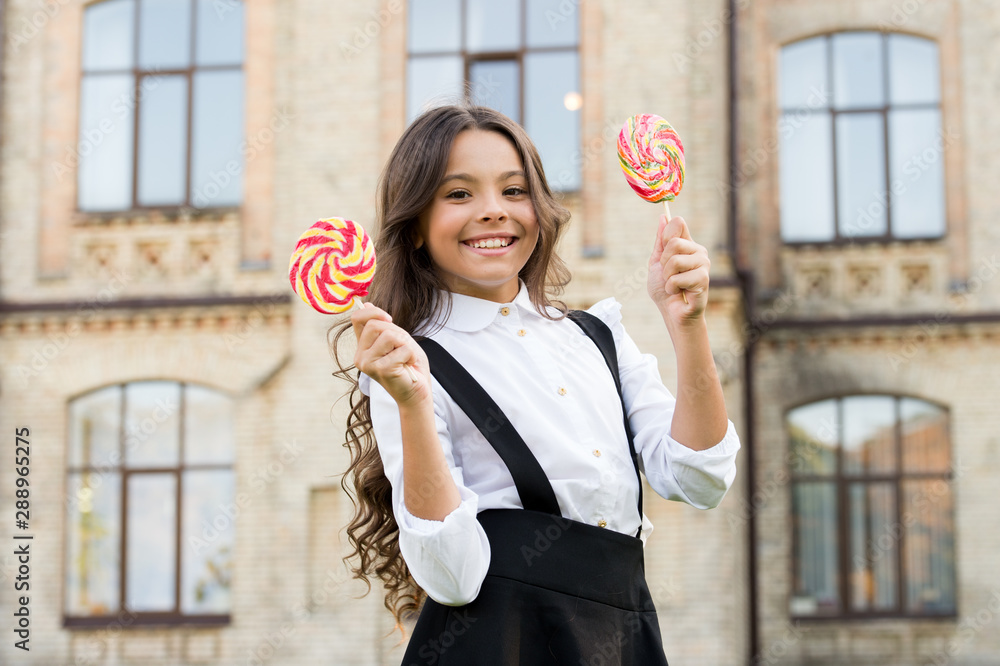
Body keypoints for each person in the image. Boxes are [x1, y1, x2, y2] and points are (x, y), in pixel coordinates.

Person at [332, 104, 740, 665]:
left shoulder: (598, 338)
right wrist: (411, 402)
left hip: (622, 642)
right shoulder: (408, 365)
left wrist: (687, 326)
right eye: (458, 195)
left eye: (514, 190)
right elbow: (453, 575)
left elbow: (701, 478)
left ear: (540, 208)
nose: (493, 212)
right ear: (417, 227)